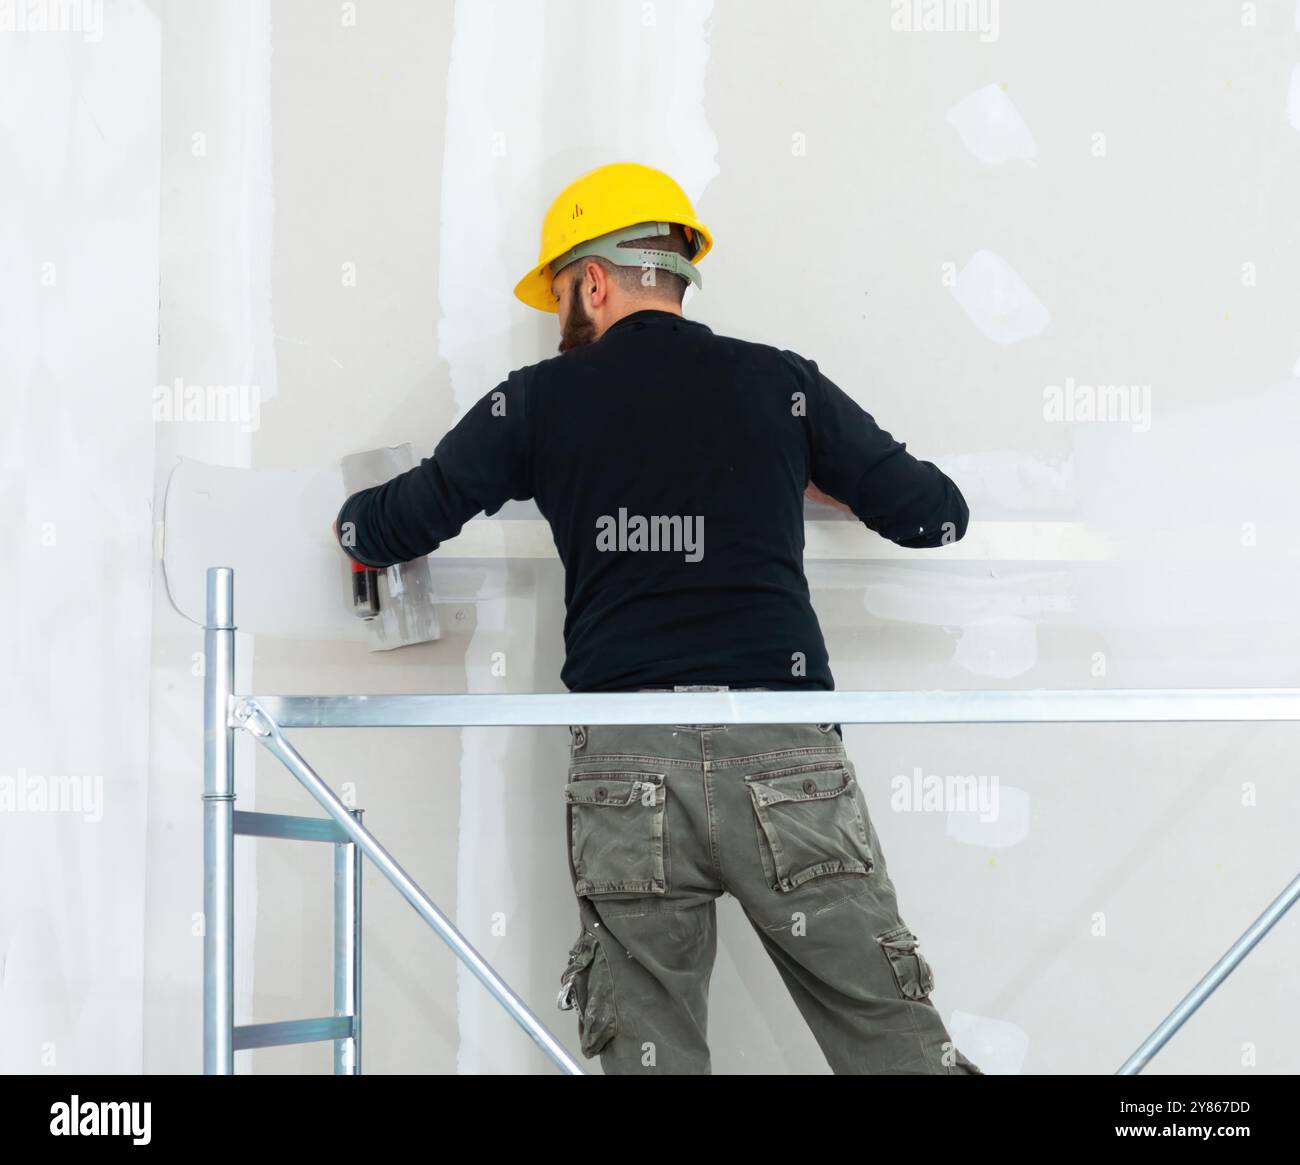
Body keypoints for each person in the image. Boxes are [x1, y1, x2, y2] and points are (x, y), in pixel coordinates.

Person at [334, 161, 982, 1075]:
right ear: (676, 271)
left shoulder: (539, 399)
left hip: (627, 774)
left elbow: (407, 516)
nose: (562, 313)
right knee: (895, 1046)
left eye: (560, 293)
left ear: (593, 281)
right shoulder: (780, 386)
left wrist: (349, 524)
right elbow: (935, 513)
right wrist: (805, 467)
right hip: (784, 759)